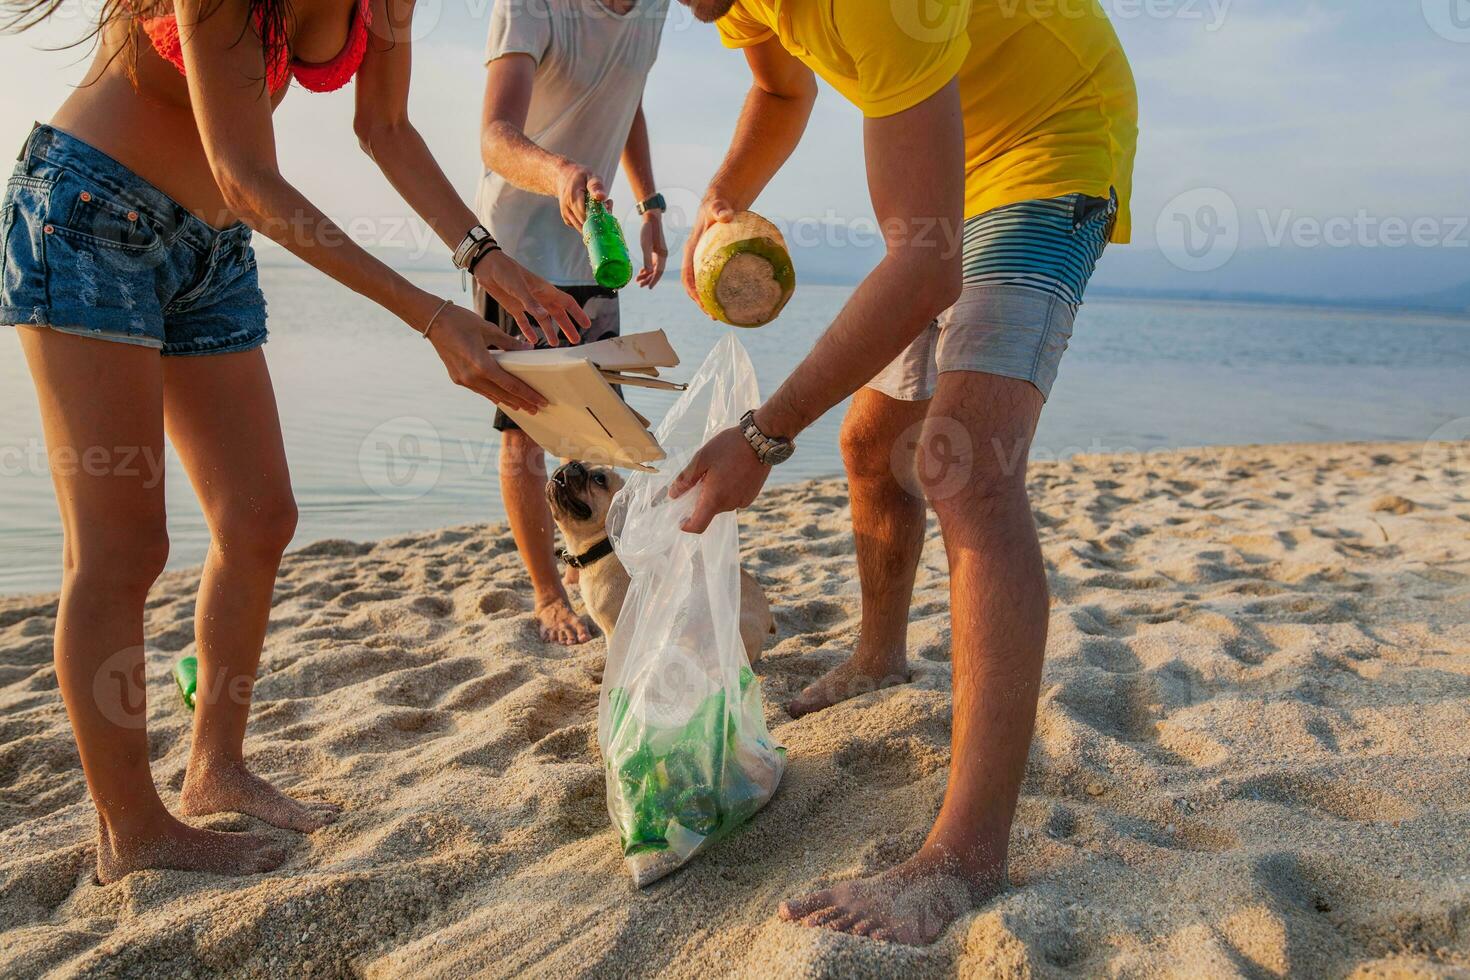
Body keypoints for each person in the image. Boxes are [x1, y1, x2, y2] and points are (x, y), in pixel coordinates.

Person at [0, 0, 588, 882]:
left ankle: (216, 768)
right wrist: (431, 317)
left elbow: (384, 127)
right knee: (122, 549)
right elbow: (243, 172)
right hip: (91, 216)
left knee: (260, 517)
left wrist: (482, 257)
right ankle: (131, 829)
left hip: (213, 244)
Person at [668, 0, 1138, 946]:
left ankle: (967, 853)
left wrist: (762, 436)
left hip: (1052, 142)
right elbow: (777, 84)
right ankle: (881, 656)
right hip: (958, 155)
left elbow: (922, 267)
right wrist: (722, 195)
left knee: (962, 468)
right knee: (872, 445)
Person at [477, 0, 671, 646]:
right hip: (515, 252)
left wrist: (649, 203)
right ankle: (546, 593)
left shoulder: (655, 9)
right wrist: (559, 172)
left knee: (596, 433)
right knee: (527, 428)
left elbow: (628, 89)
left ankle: (594, 564)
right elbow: (495, 135)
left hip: (597, 243)